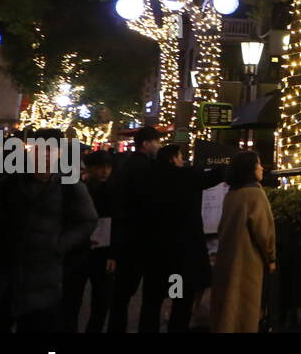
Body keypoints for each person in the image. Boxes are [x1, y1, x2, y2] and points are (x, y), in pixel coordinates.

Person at [0, 130, 97, 332]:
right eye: (39, 148)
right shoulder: (9, 183)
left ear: (60, 153)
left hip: (44, 278)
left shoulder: (69, 185)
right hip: (5, 276)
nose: (44, 154)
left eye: (51, 149)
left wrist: (59, 244)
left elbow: (87, 220)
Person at [150, 145, 216, 331]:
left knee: (173, 293)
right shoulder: (184, 176)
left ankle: (171, 320)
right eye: (180, 157)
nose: (183, 160)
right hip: (184, 251)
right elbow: (210, 178)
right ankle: (176, 325)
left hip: (164, 250)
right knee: (182, 299)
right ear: (172, 158)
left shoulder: (154, 178)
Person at [210, 150, 276, 333]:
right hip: (249, 261)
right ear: (250, 168)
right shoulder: (255, 194)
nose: (262, 168)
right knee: (246, 310)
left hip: (228, 257)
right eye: (258, 164)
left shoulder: (232, 193)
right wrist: (271, 258)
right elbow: (264, 231)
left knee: (228, 307)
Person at [106, 125, 162, 333]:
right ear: (146, 144)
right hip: (138, 238)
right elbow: (145, 203)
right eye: (156, 142)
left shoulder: (127, 165)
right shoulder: (144, 168)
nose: (159, 146)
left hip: (126, 237)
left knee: (121, 294)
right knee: (135, 292)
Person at [61, 150, 114, 332]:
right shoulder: (79, 189)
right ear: (90, 169)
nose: (105, 172)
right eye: (100, 168)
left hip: (102, 251)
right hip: (80, 251)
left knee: (101, 300)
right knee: (72, 299)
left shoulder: (113, 191)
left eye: (108, 167)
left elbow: (118, 223)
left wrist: (114, 254)